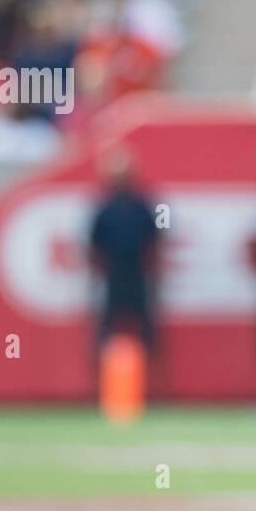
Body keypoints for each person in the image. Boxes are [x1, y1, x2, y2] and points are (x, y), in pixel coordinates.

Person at [89, 151, 160, 358]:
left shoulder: (141, 206)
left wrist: (153, 270)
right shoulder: (104, 208)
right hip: (114, 274)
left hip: (137, 272)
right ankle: (102, 373)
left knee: (147, 326)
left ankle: (153, 377)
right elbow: (95, 244)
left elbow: (154, 239)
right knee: (106, 326)